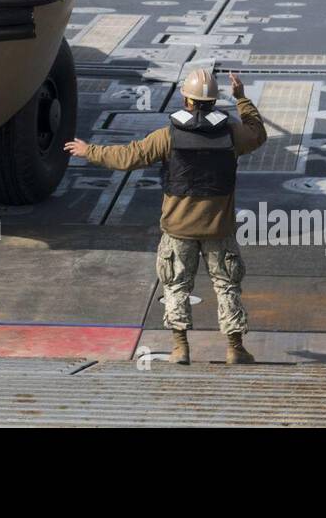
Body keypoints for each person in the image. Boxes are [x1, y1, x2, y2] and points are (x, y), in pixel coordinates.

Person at [64, 68, 267, 366]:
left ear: (186, 99)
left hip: (177, 230)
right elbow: (258, 134)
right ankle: (235, 348)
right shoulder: (231, 133)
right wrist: (241, 98)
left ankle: (180, 347)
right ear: (213, 101)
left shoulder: (167, 136)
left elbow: (128, 157)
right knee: (226, 285)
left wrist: (89, 150)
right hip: (218, 229)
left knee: (176, 286)